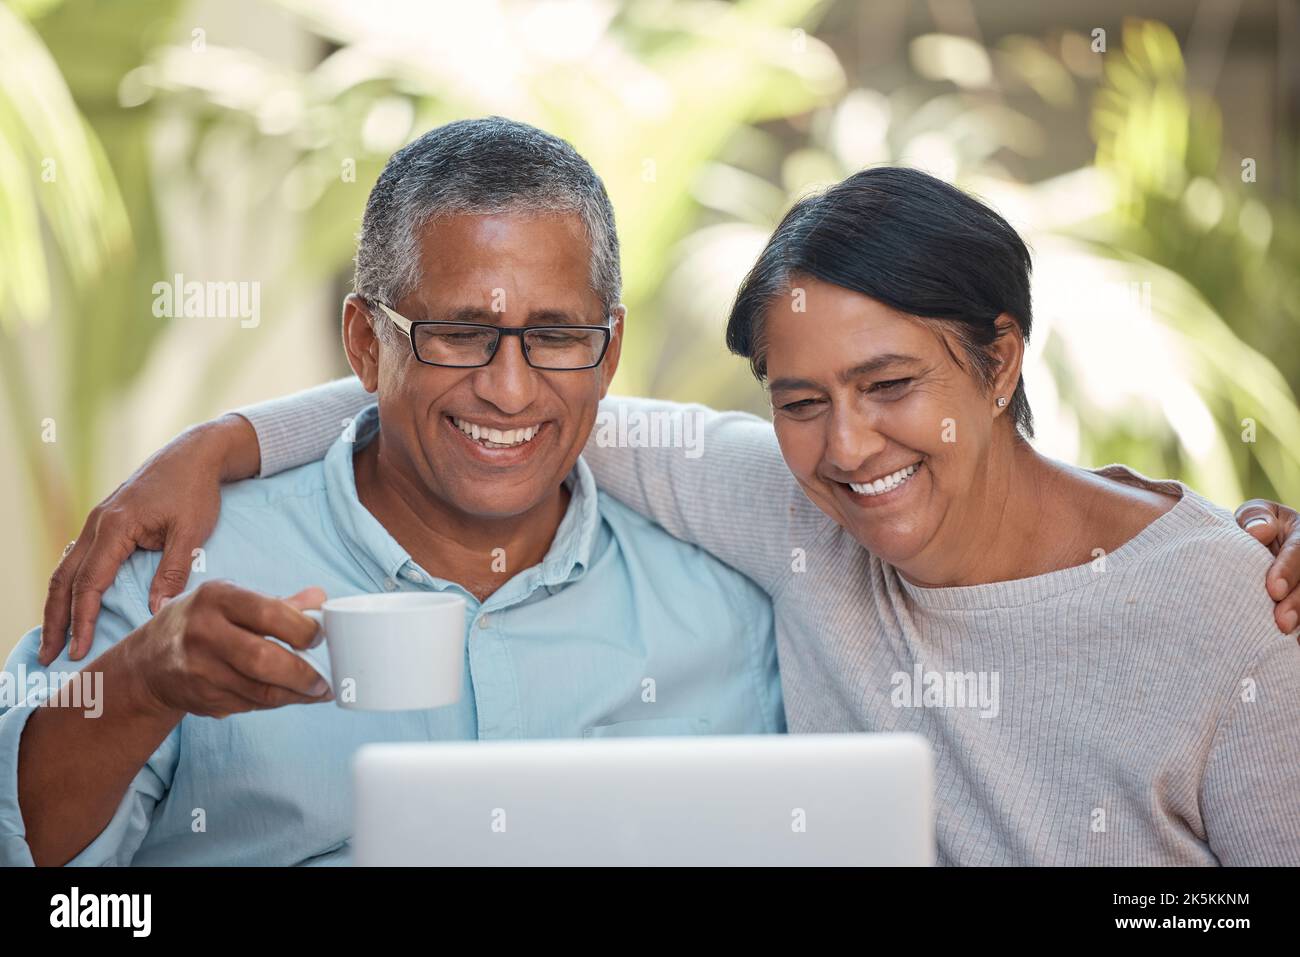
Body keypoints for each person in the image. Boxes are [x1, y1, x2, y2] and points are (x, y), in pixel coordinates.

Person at [30, 166, 1300, 863]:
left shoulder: (1231, 606)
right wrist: (217, 449)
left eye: (892, 384)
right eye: (803, 399)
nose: (851, 447)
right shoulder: (780, 501)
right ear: (372, 341)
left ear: (1002, 359)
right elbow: (503, 412)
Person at [0, 118, 781, 867]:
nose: (509, 391)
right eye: (459, 334)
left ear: (607, 356)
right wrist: (142, 684)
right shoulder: (176, 570)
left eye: (555, 337)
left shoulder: (723, 607)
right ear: (367, 346)